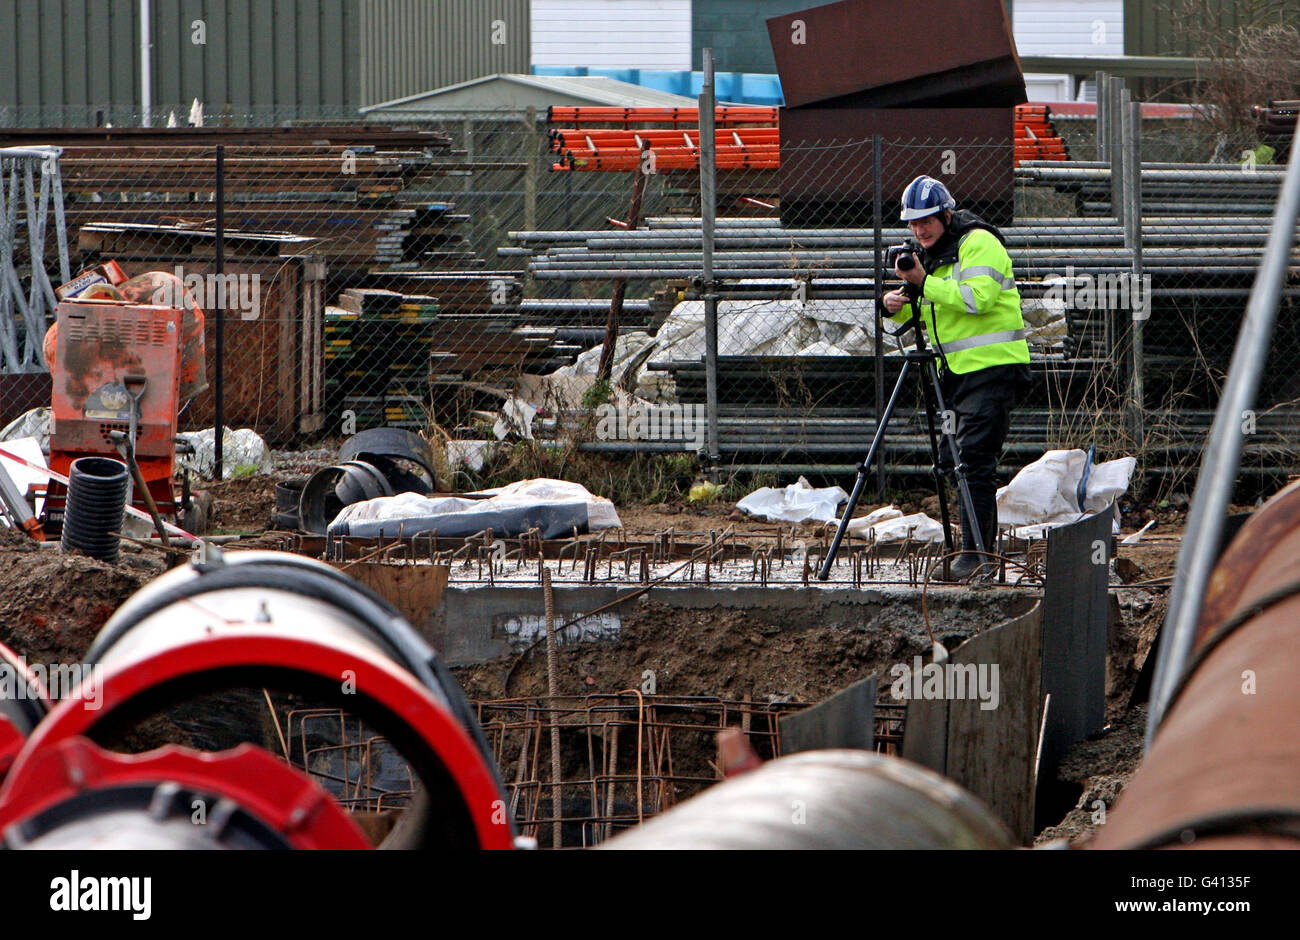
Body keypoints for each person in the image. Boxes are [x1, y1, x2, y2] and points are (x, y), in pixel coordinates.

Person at [882, 175, 1032, 580]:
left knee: (974, 462)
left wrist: (922, 282)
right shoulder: (933, 251)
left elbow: (976, 299)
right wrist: (893, 304)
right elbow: (930, 307)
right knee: (957, 462)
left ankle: (976, 558)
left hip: (993, 367)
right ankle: (971, 554)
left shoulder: (978, 242)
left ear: (946, 214)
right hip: (956, 373)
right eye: (913, 224)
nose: (919, 230)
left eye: (926, 221)